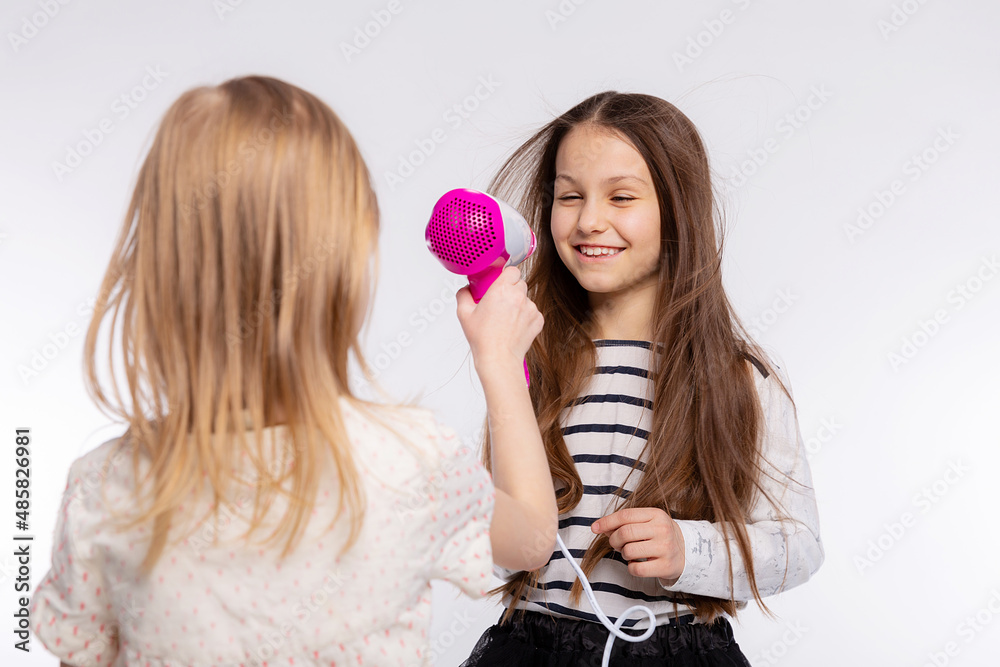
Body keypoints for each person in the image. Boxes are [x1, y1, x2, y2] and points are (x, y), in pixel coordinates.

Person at [29, 75, 557, 667]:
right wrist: (501, 364)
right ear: (345, 275)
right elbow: (533, 539)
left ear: (158, 269)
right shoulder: (407, 461)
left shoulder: (105, 486)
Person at [460, 91, 825, 666]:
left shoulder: (737, 379)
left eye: (621, 196)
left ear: (677, 210)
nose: (588, 220)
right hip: (529, 648)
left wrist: (691, 548)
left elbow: (799, 544)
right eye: (569, 196)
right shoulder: (530, 365)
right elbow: (503, 548)